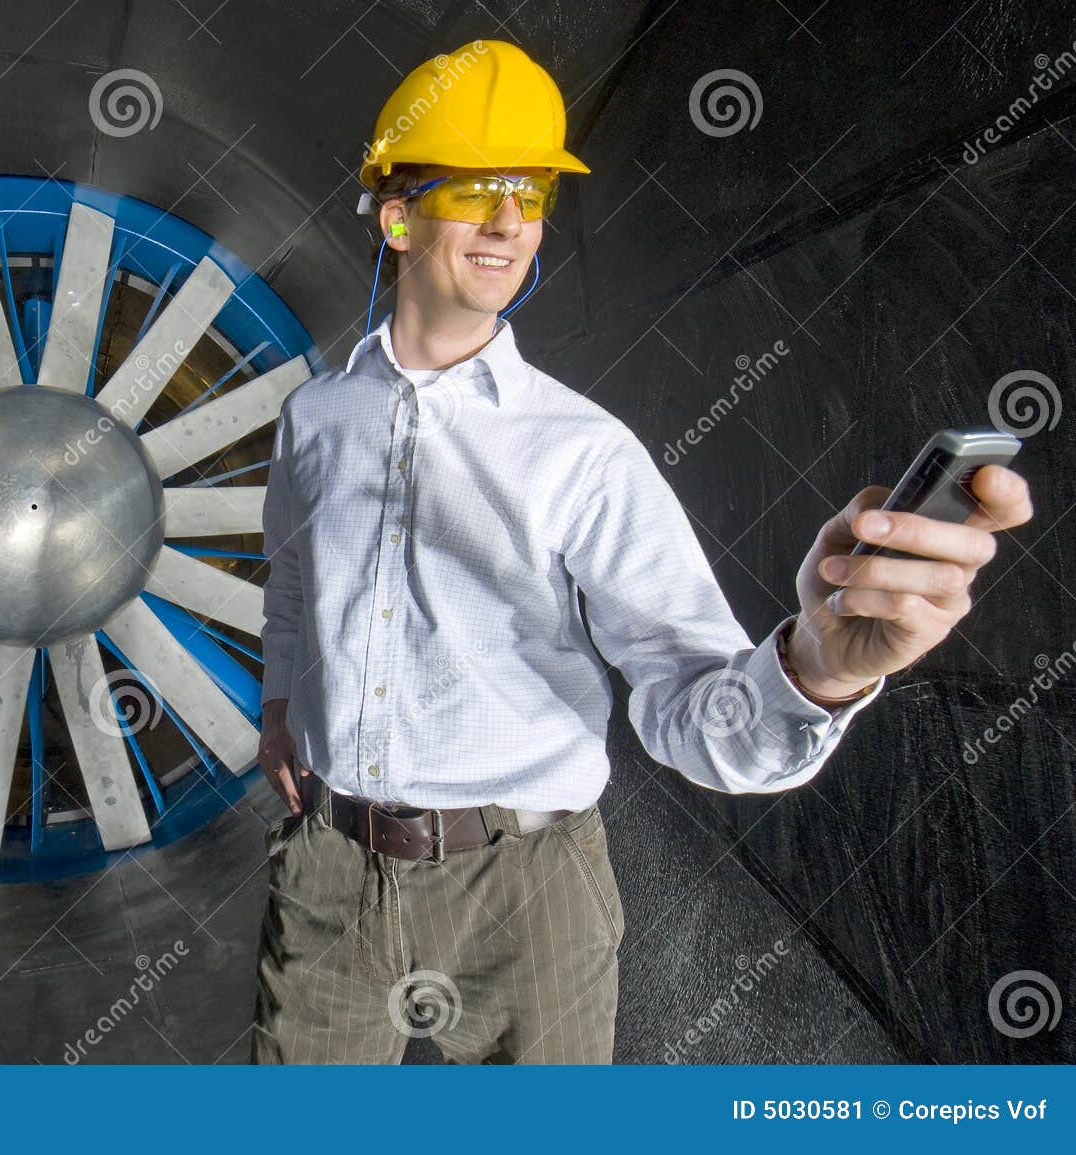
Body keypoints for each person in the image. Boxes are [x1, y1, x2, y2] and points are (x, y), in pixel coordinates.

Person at [247, 39, 1035, 1064]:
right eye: (478, 189)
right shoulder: (315, 417)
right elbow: (293, 585)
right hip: (329, 879)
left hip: (526, 895)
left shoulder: (583, 450)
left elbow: (685, 702)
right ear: (398, 217)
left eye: (528, 197)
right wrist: (278, 707)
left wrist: (817, 671)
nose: (506, 223)